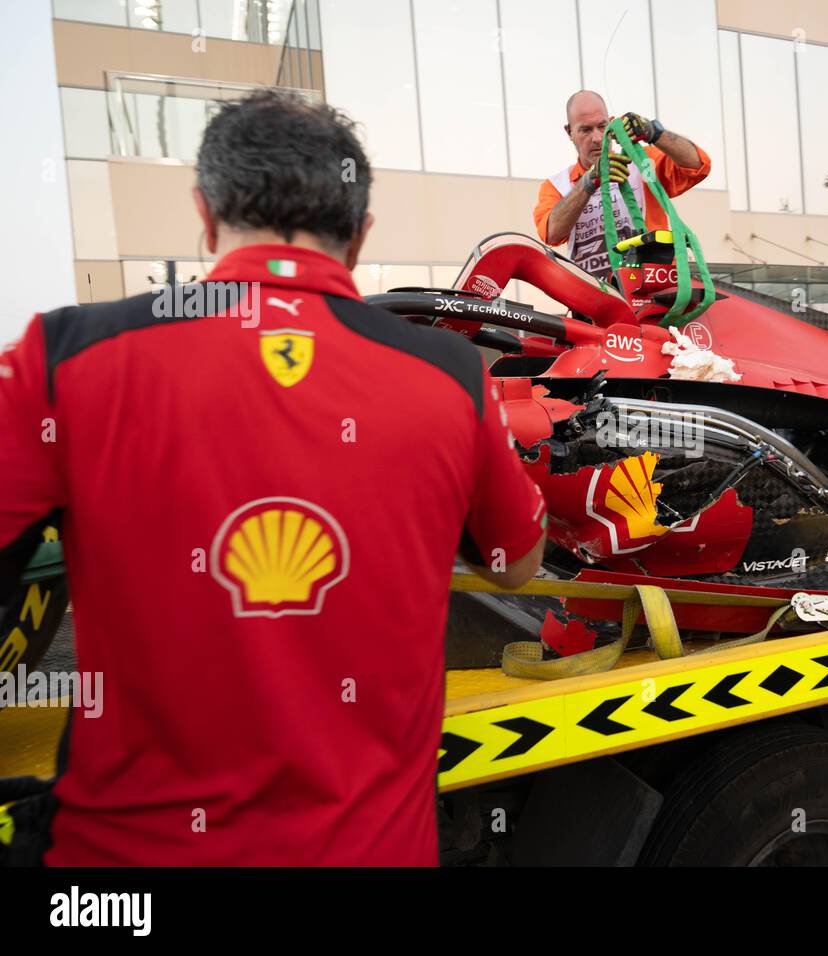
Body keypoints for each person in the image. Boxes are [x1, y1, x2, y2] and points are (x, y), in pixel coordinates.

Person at [0, 89, 545, 866]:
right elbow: (518, 564)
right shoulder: (449, 373)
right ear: (359, 237)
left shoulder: (65, 356)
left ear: (204, 210)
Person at [533, 90, 711, 280]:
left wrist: (654, 131)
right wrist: (590, 181)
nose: (597, 138)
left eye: (602, 127)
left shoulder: (643, 162)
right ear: (569, 132)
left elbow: (698, 165)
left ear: (611, 122)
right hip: (591, 298)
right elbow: (551, 234)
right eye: (585, 130)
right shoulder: (557, 185)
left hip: (653, 292)